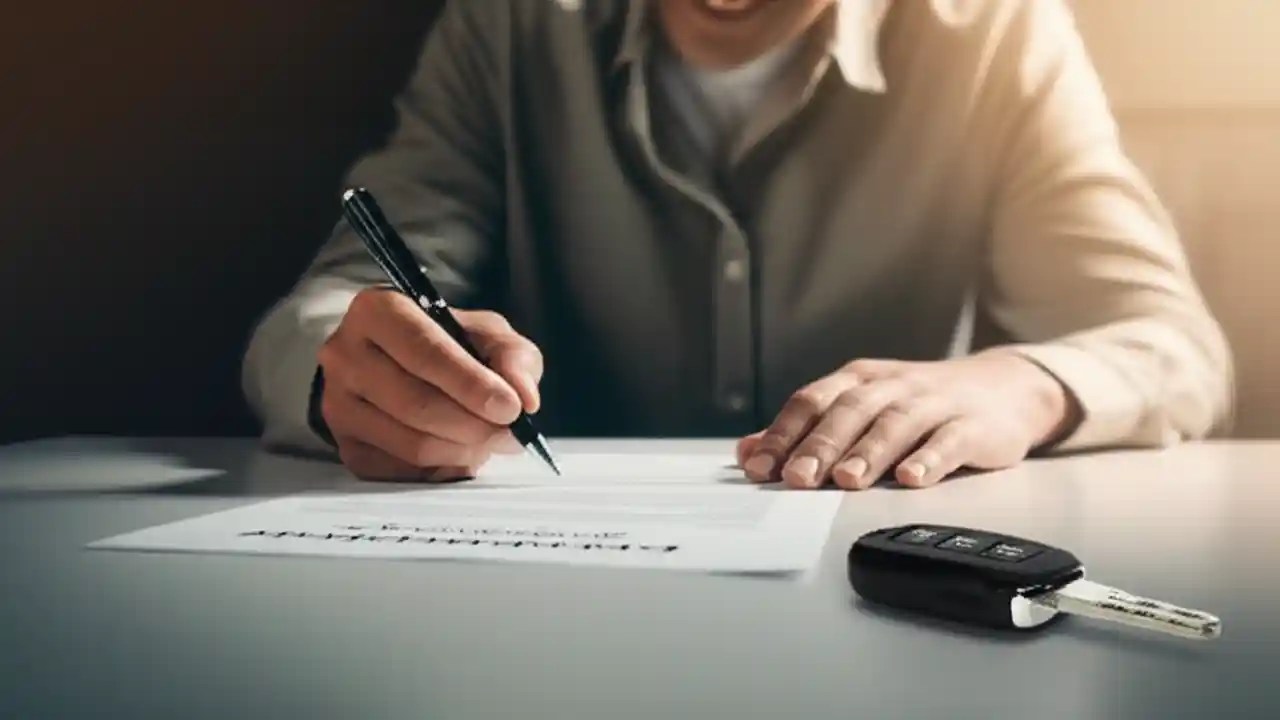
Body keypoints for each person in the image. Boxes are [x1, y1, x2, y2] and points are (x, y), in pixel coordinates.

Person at [243, 0, 1232, 490]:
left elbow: (1167, 343)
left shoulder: (988, 28)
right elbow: (331, 309)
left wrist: (1012, 386)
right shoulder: (510, 26)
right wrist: (353, 380)